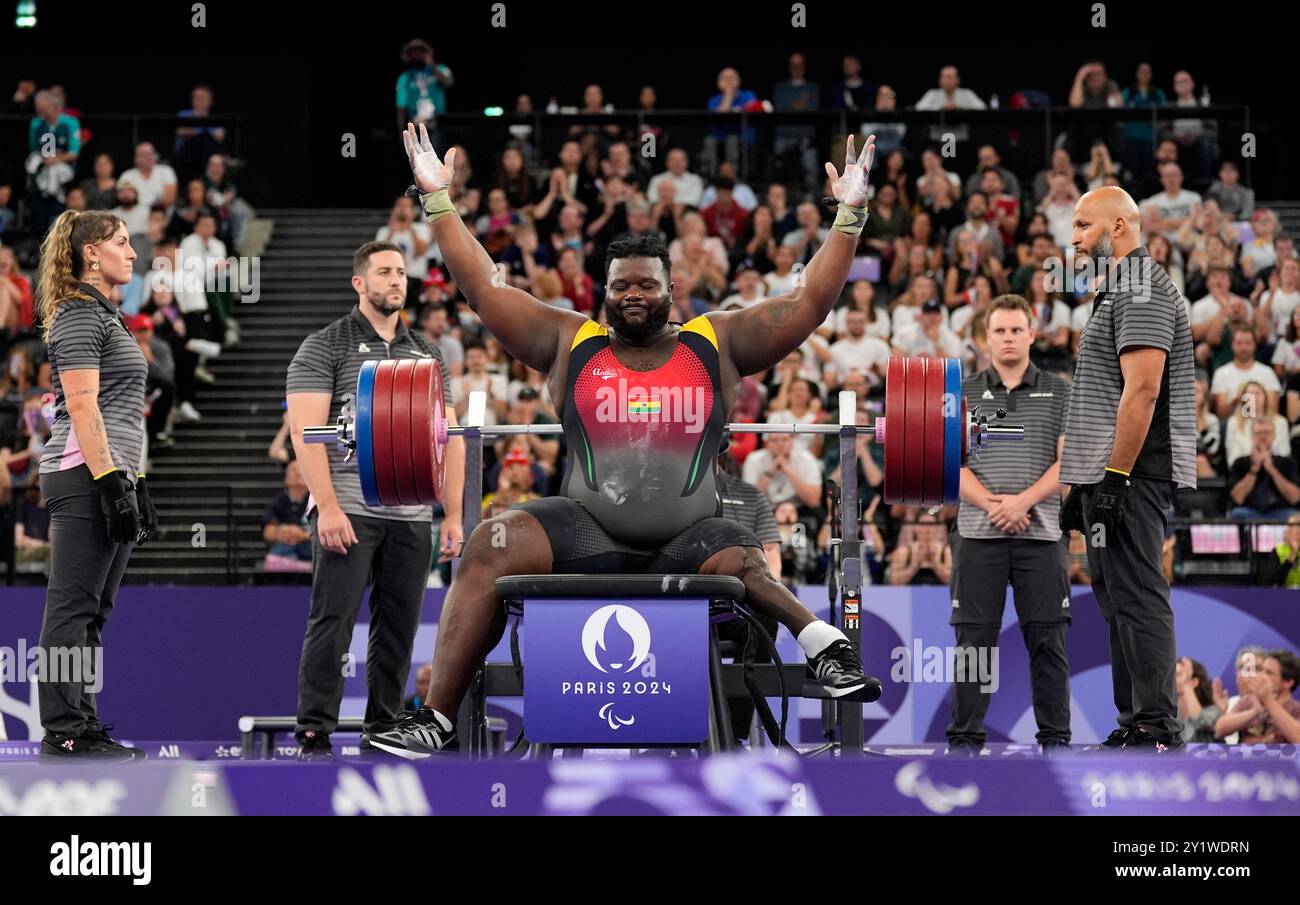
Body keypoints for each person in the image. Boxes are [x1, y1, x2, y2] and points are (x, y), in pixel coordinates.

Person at [368, 125, 883, 758]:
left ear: (672, 291)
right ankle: (437, 719)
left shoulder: (713, 342)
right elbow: (486, 290)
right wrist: (440, 204)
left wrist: (850, 215)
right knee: (487, 542)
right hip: (587, 536)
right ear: (604, 292)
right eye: (621, 286)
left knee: (743, 554)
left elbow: (806, 305)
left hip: (688, 541)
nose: (633, 295)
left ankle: (825, 649)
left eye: (646, 285)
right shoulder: (570, 341)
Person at [284, 240, 465, 760]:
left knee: (399, 630)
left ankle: (383, 728)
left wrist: (451, 513)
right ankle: (314, 732)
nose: (396, 281)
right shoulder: (324, 345)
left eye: (402, 273)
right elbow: (306, 433)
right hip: (349, 510)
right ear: (359, 283)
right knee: (333, 624)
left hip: (411, 517)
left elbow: (449, 438)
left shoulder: (427, 353)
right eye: (384, 272)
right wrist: (329, 507)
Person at [1058, 186, 1196, 753]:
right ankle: (1135, 720)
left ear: (1118, 227)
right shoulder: (1115, 289)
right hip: (1107, 472)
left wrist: (1114, 477)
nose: (1073, 237)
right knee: (1116, 596)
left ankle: (1158, 726)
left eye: (1083, 225)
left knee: (1138, 592)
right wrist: (1086, 479)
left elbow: (1142, 392)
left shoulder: (1139, 288)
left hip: (1134, 472)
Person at [34, 210, 157, 761]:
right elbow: (82, 405)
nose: (133, 254)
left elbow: (124, 411)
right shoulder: (80, 314)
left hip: (110, 473)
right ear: (91, 254)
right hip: (83, 474)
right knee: (73, 607)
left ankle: (81, 724)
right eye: (123, 244)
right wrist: (111, 483)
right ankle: (63, 729)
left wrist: (138, 481)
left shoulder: (108, 316)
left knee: (93, 612)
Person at [949, 295, 1072, 755]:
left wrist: (1022, 501)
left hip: (1040, 535)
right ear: (986, 338)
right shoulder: (960, 393)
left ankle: (1056, 742)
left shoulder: (1060, 391)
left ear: (1031, 334)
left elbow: (1069, 462)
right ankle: (964, 743)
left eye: (1016, 330)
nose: (1007, 338)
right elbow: (950, 464)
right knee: (974, 644)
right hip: (979, 536)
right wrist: (991, 504)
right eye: (999, 331)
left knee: (1048, 642)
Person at [1214, 650, 1300, 744]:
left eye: (1269, 673)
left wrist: (1268, 700)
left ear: (1288, 683)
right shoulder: (1250, 700)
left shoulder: (1296, 709)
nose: (1262, 675)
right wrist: (1255, 712)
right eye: (1262, 670)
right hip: (1244, 758)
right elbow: (1220, 729)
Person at [1226, 418, 1300, 520]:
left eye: (1266, 432)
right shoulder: (1240, 463)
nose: (1263, 436)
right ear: (1252, 437)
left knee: (1294, 516)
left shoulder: (1287, 462)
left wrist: (1271, 469)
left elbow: (1295, 498)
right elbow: (1238, 498)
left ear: (1274, 436)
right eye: (1258, 433)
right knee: (1238, 514)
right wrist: (1254, 469)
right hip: (1249, 512)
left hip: (1280, 511)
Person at [263, 460, 312, 572]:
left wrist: (303, 535)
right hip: (286, 546)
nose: (298, 473)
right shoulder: (278, 501)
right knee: (279, 551)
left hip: (310, 545)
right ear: (286, 478)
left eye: (302, 469)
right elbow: (268, 531)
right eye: (294, 470)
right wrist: (283, 532)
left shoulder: (316, 500)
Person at [1175, 657, 1222, 744]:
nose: (1172, 679)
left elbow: (1201, 722)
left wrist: (1186, 684)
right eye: (1171, 674)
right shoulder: (1170, 714)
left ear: (1194, 682)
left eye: (1179, 674)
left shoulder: (1213, 711)